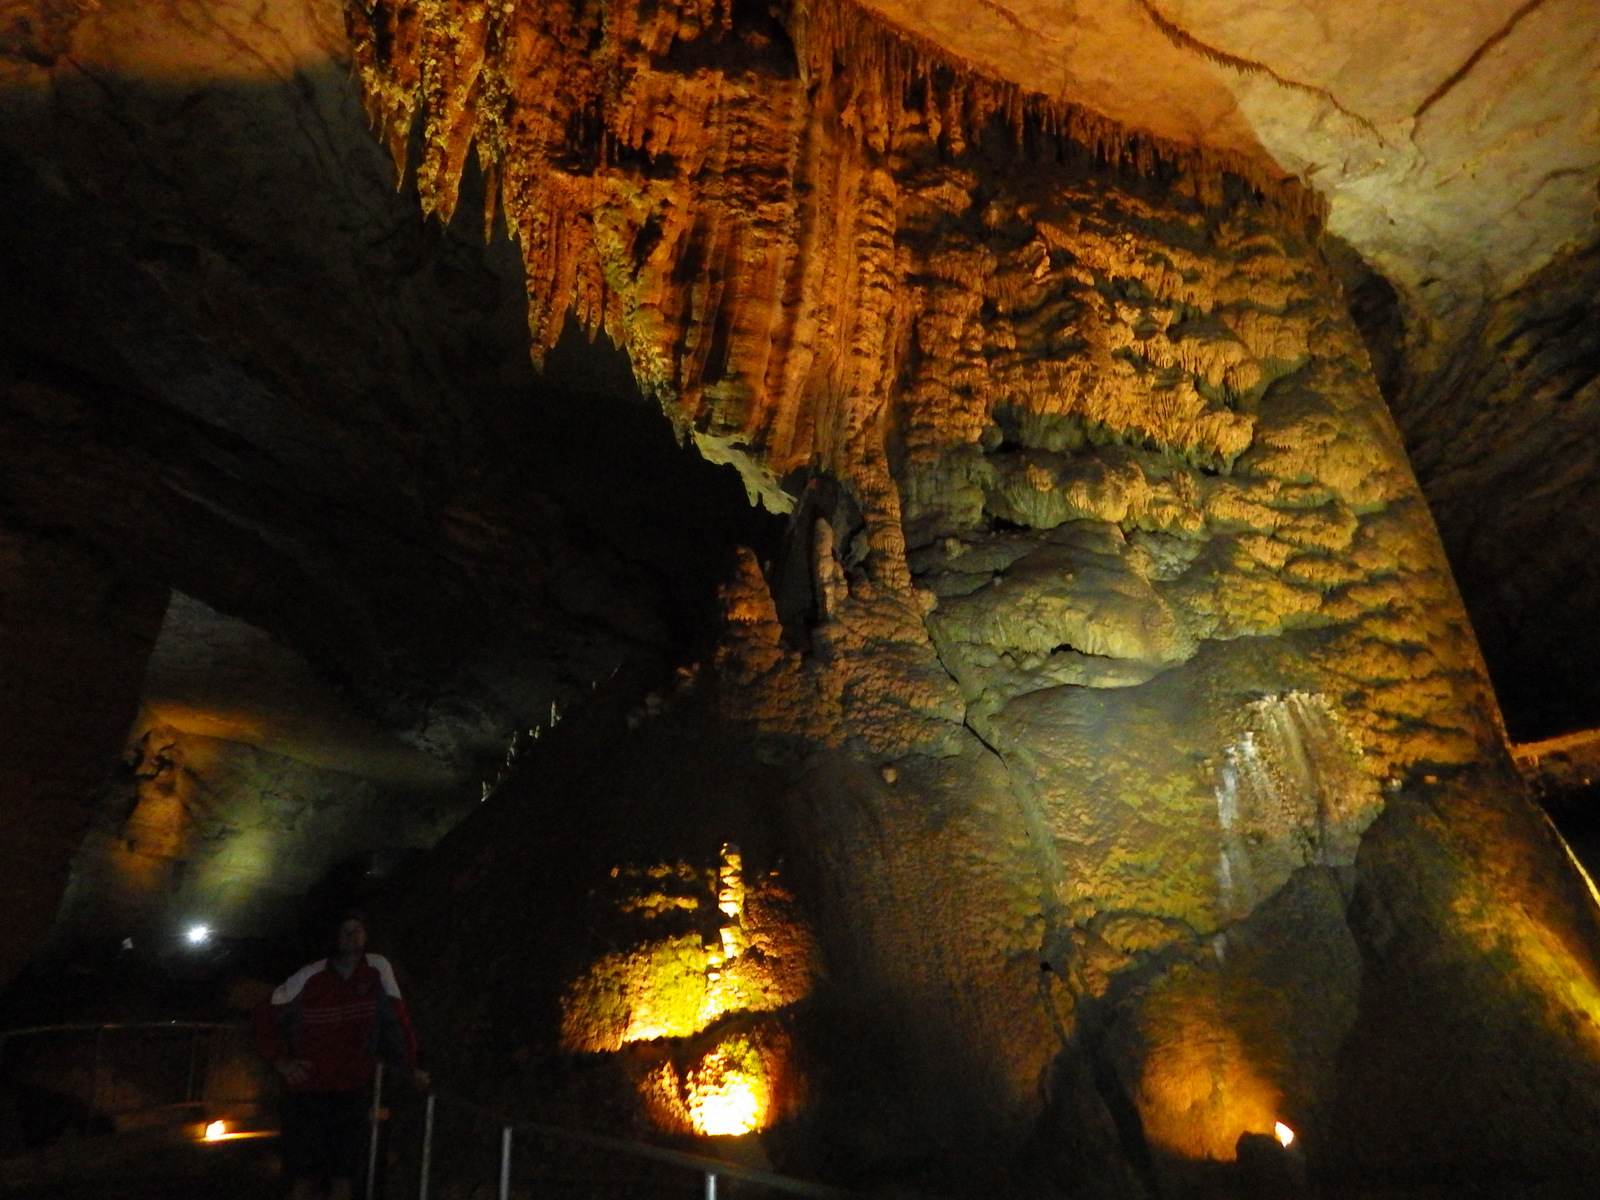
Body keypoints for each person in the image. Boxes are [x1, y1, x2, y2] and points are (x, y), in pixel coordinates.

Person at [255, 912, 429, 1200]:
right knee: (304, 1175)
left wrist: (412, 1065)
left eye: (356, 929)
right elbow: (264, 1014)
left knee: (344, 1175)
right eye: (344, 930)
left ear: (366, 935)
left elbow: (397, 1021)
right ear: (335, 938)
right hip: (308, 1090)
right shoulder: (311, 976)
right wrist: (281, 1060)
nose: (350, 936)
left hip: (351, 1089)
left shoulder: (377, 970)